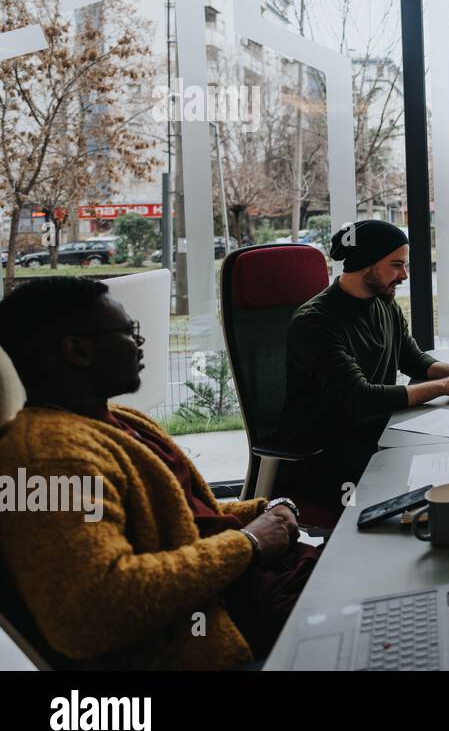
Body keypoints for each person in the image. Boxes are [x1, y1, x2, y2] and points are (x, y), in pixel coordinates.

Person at [0, 277, 314, 669]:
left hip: (261, 586)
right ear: (77, 350)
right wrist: (249, 544)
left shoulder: (118, 420)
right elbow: (93, 610)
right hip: (224, 632)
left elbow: (178, 516)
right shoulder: (46, 457)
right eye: (129, 332)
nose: (140, 343)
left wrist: (265, 511)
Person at [276, 219, 449, 514]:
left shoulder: (384, 303)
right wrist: (446, 386)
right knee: (430, 484)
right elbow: (361, 398)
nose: (404, 275)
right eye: (396, 265)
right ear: (367, 264)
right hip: (327, 454)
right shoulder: (315, 322)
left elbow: (412, 359)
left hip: (374, 434)